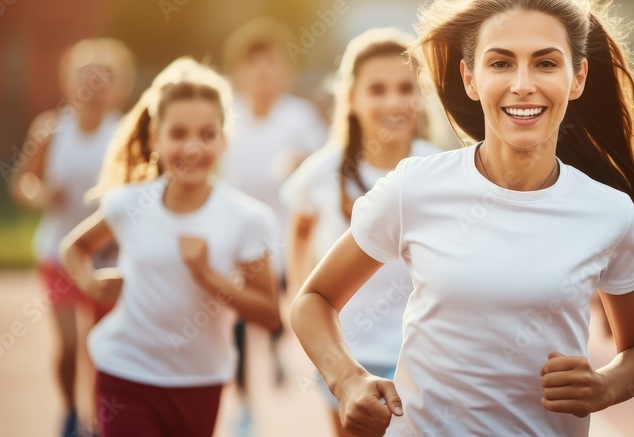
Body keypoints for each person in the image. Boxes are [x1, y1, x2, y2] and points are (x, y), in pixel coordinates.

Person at [291, 0, 634, 435]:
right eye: (500, 63)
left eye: (546, 63)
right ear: (470, 78)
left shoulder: (609, 212)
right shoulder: (414, 187)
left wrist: (604, 385)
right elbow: (314, 300)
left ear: (578, 78)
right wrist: (346, 379)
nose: (522, 84)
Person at [60, 58, 282, 437]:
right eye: (178, 134)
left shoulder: (248, 219)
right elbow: (73, 249)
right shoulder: (128, 203)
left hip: (202, 382)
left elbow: (269, 315)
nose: (193, 147)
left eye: (207, 134)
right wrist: (92, 284)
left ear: (224, 139)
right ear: (154, 139)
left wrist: (209, 276)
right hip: (123, 372)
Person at [280, 27, 441, 437]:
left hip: (426, 360)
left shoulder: (441, 171)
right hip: (348, 356)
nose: (393, 101)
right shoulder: (320, 173)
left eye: (406, 87)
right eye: (377, 89)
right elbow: (299, 234)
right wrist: (304, 301)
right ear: (351, 98)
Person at [8, 37, 134, 437]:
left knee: (97, 347)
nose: (95, 84)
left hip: (108, 257)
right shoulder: (50, 129)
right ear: (69, 83)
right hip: (58, 252)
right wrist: (40, 194)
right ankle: (68, 411)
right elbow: (21, 182)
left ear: (121, 86)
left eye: (105, 76)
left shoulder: (126, 134)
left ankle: (97, 420)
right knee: (66, 344)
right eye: (87, 75)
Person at [218, 17, 329, 396]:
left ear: (286, 71)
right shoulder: (226, 117)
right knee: (236, 315)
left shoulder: (300, 117)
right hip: (237, 237)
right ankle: (244, 398)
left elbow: (327, 165)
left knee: (280, 310)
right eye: (254, 64)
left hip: (286, 239)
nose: (263, 73)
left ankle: (277, 342)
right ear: (238, 73)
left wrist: (305, 163)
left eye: (272, 63)